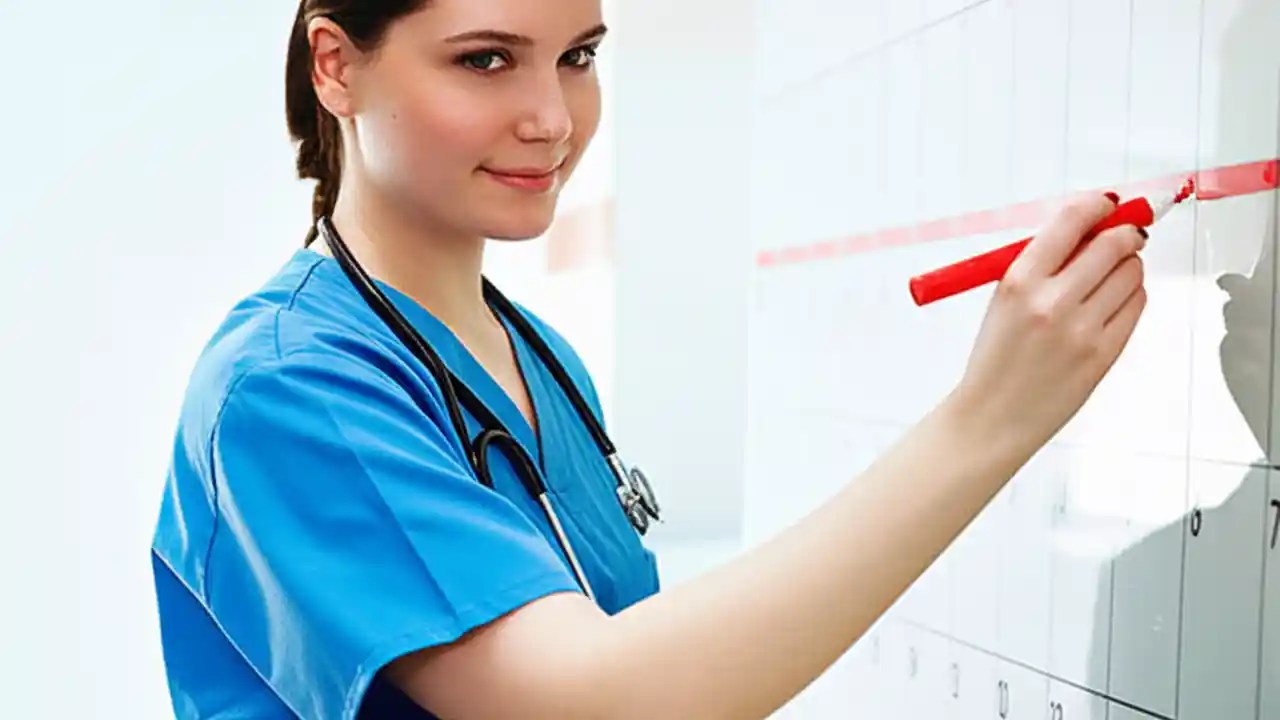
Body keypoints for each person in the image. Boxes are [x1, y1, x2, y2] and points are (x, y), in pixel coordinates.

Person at [148, 0, 1151, 718]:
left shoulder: (542, 361)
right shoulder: (288, 386)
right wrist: (985, 422)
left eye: (577, 56)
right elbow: (584, 703)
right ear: (336, 64)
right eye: (487, 60)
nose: (552, 117)